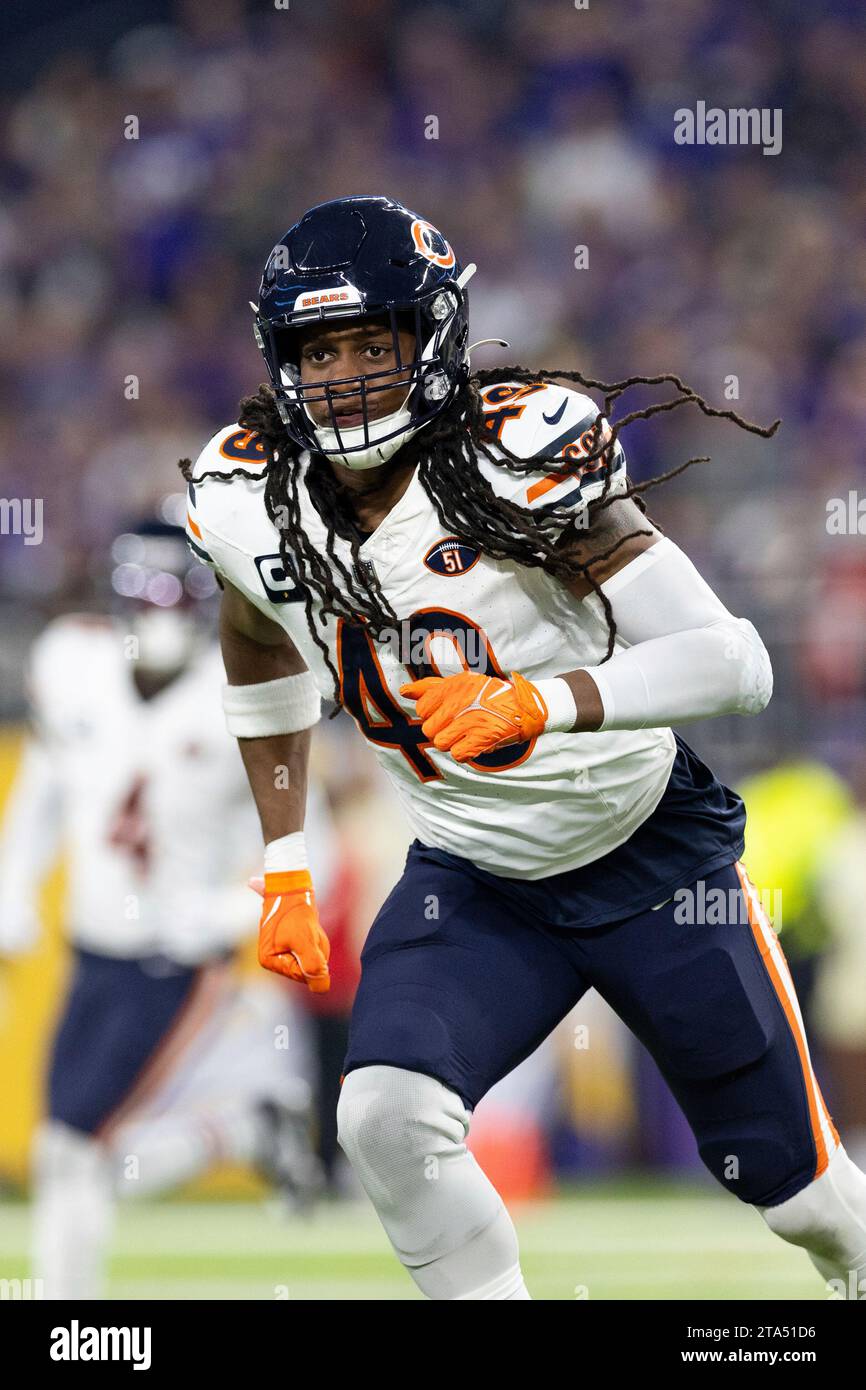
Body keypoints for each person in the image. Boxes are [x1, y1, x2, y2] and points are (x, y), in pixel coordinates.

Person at [182, 195, 866, 1300]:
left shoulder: (511, 460)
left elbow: (736, 663)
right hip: (475, 878)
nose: (346, 375)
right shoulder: (248, 499)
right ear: (278, 358)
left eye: (373, 342)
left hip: (648, 858)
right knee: (382, 1119)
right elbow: (258, 647)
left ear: (436, 341)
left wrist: (544, 704)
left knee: (802, 1199)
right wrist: (283, 866)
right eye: (319, 349)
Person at [0, 506, 328, 1299]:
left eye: (175, 593)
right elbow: (45, 785)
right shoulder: (72, 662)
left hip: (177, 959)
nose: (159, 610)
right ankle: (247, 1127)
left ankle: (67, 1317)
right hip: (91, 945)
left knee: (73, 1152)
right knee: (72, 1153)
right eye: (142, 593)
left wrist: (218, 915)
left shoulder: (241, 691)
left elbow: (295, 849)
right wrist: (12, 896)